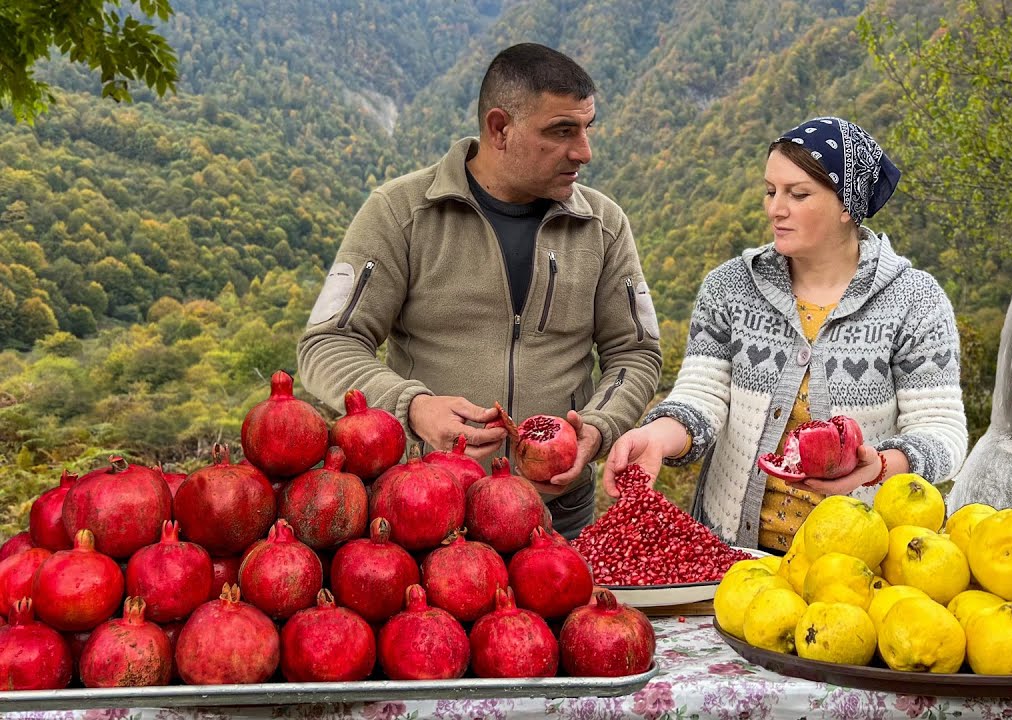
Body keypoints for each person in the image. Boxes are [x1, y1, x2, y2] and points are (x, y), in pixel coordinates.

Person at [297, 43, 662, 539]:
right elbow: (327, 342)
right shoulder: (401, 214)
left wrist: (598, 427)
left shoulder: (603, 225)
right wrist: (412, 407)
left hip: (558, 520)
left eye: (586, 128)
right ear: (499, 128)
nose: (584, 151)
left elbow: (635, 352)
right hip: (426, 512)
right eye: (561, 131)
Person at [602, 117, 967, 553]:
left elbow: (942, 433)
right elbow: (702, 396)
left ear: (847, 205)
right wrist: (657, 437)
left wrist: (881, 465)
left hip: (857, 559)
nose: (776, 208)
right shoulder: (731, 287)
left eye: (799, 194)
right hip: (733, 552)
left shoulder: (915, 300)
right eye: (771, 190)